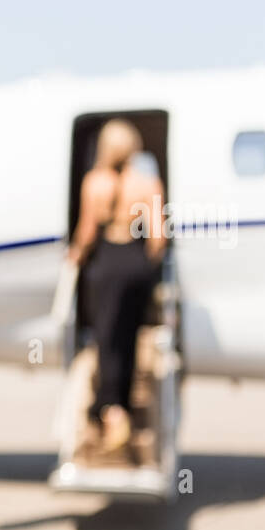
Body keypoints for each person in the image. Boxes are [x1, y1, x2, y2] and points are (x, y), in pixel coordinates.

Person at [67, 120, 165, 452]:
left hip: (108, 261)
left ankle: (110, 410)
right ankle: (119, 405)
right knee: (129, 337)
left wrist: (76, 257)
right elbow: (157, 237)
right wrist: (145, 266)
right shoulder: (148, 183)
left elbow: (87, 233)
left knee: (106, 338)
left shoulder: (95, 183)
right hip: (134, 262)